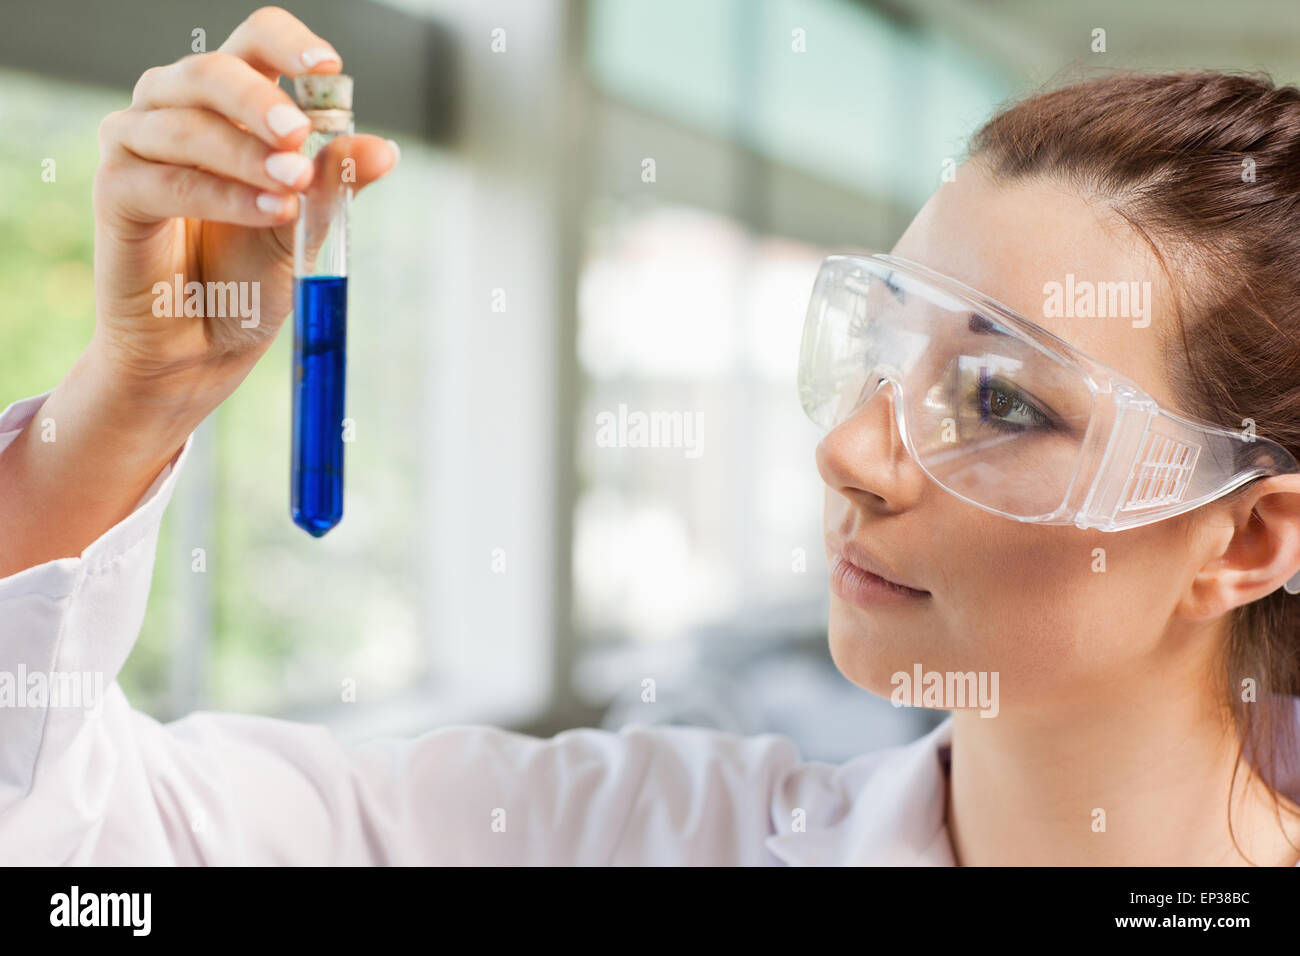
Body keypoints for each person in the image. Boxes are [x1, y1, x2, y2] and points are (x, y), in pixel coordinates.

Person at [2, 7, 1300, 865]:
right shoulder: (637, 839)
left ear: (1245, 537)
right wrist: (131, 399)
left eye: (1006, 401)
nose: (850, 452)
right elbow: (90, 843)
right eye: (885, 348)